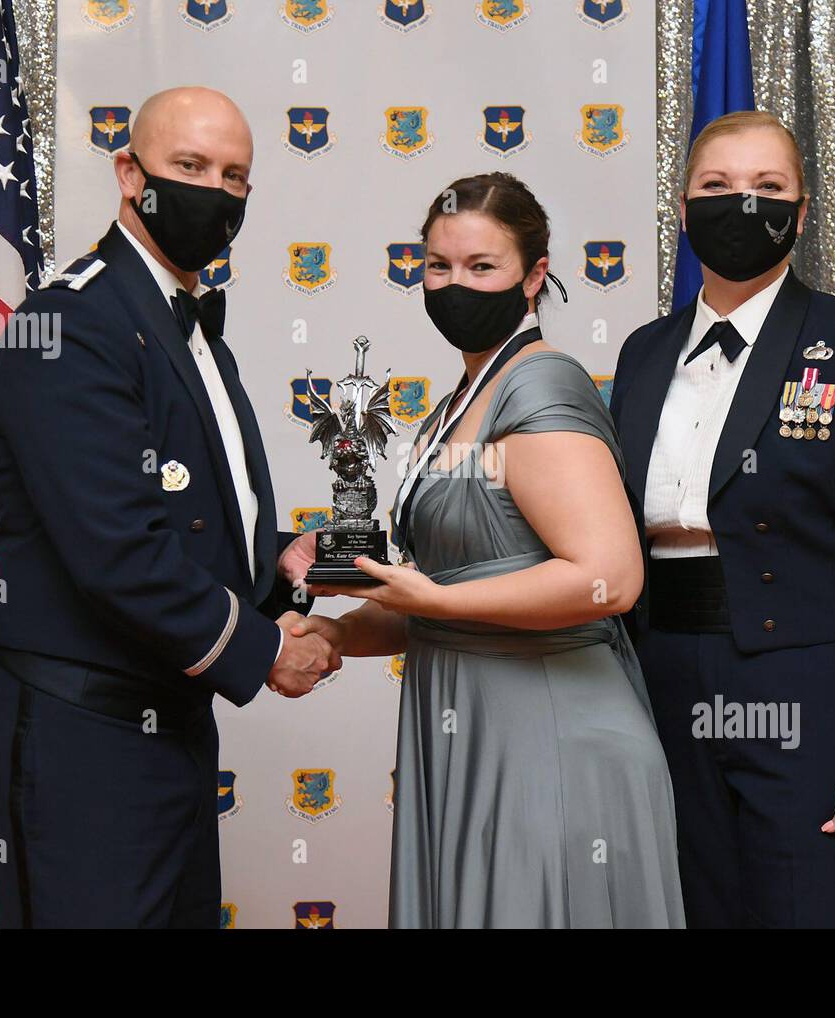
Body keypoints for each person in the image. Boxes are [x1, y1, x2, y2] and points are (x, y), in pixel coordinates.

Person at [0, 86, 334, 928]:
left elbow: (188, 513)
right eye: (191, 167)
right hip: (81, 738)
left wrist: (276, 561)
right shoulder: (69, 322)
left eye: (236, 176)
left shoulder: (189, 326)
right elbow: (115, 549)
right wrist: (264, 648)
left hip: (169, 723)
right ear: (129, 172)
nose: (216, 192)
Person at [287, 172, 686, 929]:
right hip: (469, 731)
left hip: (552, 736)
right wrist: (341, 630)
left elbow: (610, 578)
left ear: (534, 276)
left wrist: (430, 598)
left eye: (481, 267)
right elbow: (455, 594)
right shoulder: (450, 408)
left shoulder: (541, 384)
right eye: (439, 267)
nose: (454, 285)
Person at [610, 110, 835, 928]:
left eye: (768, 188)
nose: (741, 205)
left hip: (811, 701)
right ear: (682, 210)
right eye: (717, 188)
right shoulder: (643, 353)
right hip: (665, 688)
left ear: (801, 212)